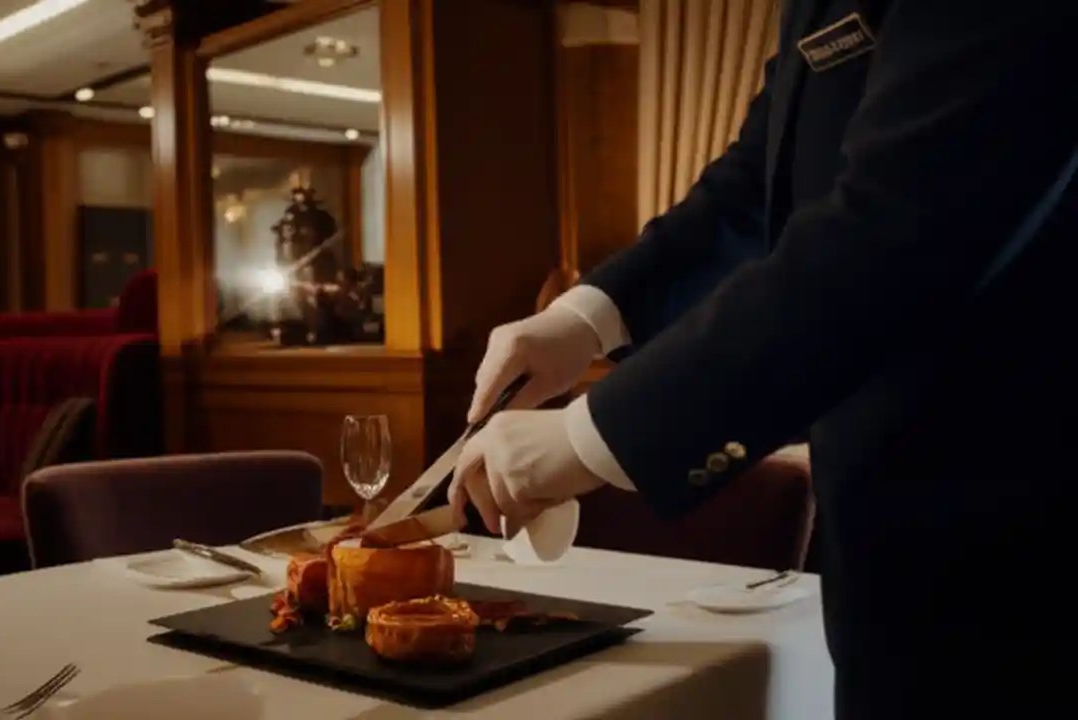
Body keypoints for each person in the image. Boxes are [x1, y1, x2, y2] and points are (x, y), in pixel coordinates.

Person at [450, 1, 1077, 717]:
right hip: (887, 551)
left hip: (1025, 547)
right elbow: (754, 187)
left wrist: (592, 437)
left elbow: (906, 221)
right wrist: (583, 317)